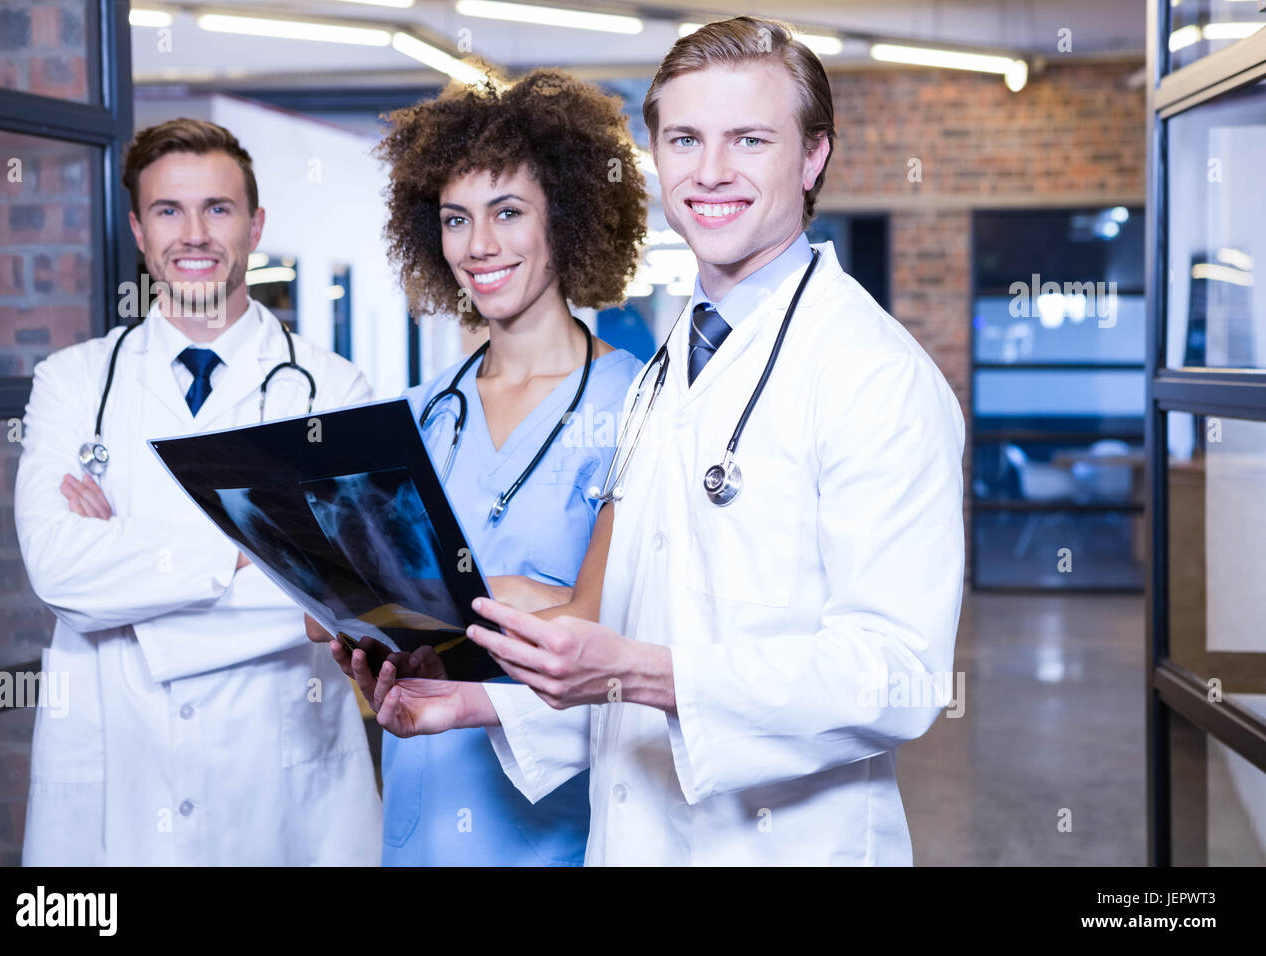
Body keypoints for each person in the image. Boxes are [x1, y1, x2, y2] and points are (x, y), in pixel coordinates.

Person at [363, 17, 967, 866]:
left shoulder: (876, 376)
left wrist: (639, 673)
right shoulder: (665, 373)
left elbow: (898, 674)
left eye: (749, 139)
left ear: (814, 156)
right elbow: (635, 631)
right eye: (684, 139)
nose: (710, 171)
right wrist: (473, 706)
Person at [14, 118, 381, 865]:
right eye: (168, 211)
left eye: (218, 208)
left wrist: (125, 569)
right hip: (119, 777)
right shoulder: (72, 382)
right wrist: (257, 549)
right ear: (138, 233)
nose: (195, 234)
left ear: (256, 226)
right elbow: (57, 569)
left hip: (280, 787)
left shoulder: (334, 390)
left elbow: (349, 587)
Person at [310, 70, 646, 866]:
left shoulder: (637, 406)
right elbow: (340, 599)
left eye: (507, 213)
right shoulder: (420, 415)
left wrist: (441, 611)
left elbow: (615, 625)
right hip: (419, 797)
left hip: (550, 822)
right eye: (456, 219)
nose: (478, 246)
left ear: (565, 222)